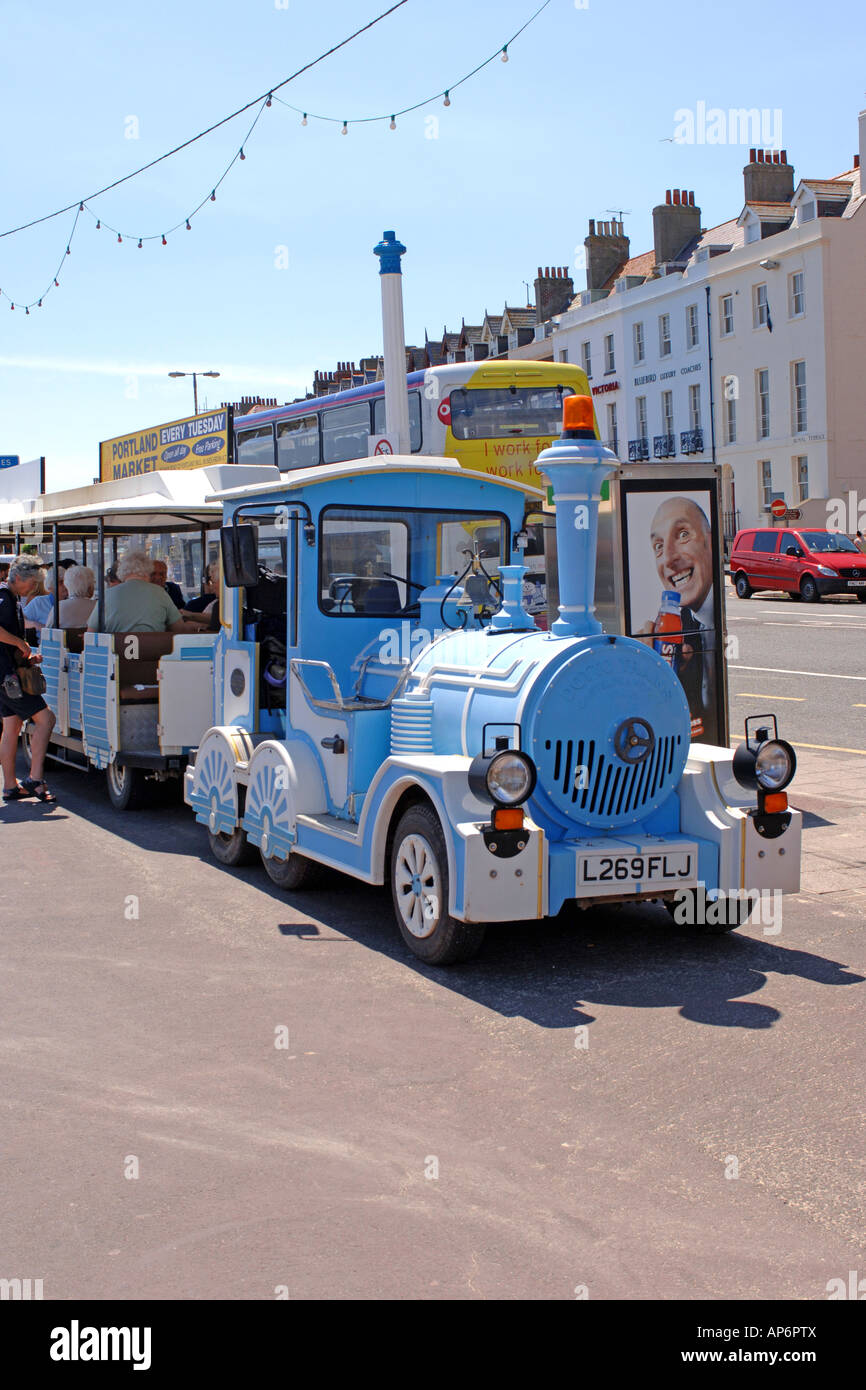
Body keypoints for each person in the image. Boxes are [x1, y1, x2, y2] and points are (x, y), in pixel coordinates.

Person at [637, 496, 717, 741]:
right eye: (659, 547)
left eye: (683, 534)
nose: (669, 558)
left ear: (711, 541)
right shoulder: (677, 624)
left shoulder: (715, 620)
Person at [0, 556, 57, 802]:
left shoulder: (8, 598)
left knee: (11, 729)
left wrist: (26, 657)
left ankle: (11, 785)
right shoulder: (5, 599)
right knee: (46, 719)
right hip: (7, 676)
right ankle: (35, 779)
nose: (32, 589)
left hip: (6, 673)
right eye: (31, 584)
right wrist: (20, 643)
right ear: (19, 579)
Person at [87, 550, 190, 634]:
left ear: (121, 571)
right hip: (153, 656)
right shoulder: (160, 593)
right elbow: (180, 629)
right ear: (148, 570)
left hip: (116, 656)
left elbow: (91, 632)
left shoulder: (107, 594)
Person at [22, 565, 67, 637]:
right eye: (61, 582)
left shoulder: (73, 604)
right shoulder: (39, 602)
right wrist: (35, 624)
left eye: (66, 581)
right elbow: (21, 620)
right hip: (45, 645)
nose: (65, 585)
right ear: (50, 586)